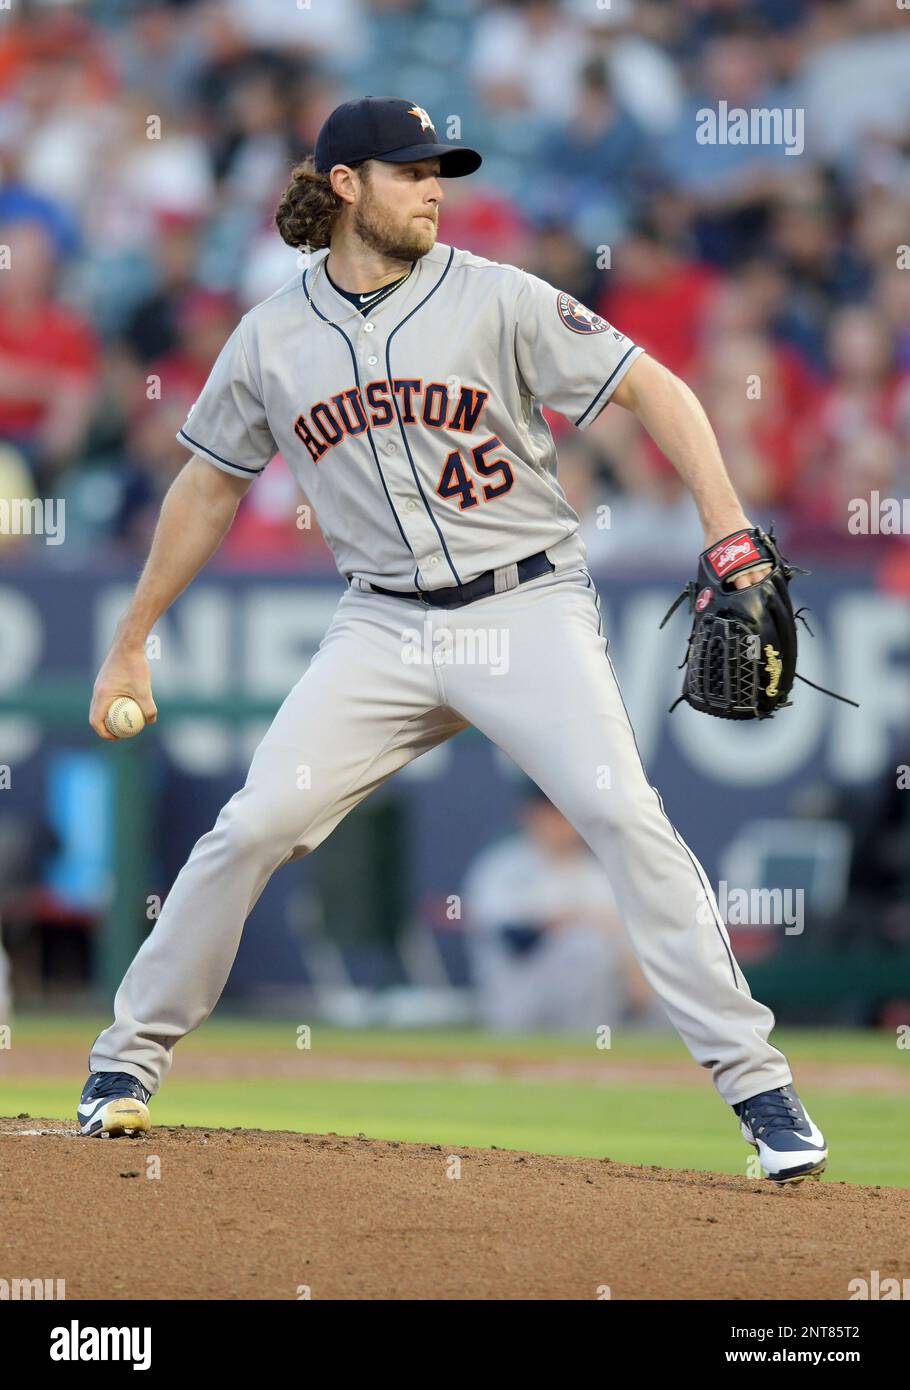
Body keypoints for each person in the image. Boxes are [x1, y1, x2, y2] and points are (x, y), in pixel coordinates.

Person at [77, 96, 826, 1183]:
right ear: (345, 185)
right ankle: (123, 1062)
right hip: (380, 622)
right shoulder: (272, 336)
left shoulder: (497, 296)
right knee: (253, 825)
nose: (434, 188)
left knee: (623, 815)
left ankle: (760, 1091)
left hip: (525, 605)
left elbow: (653, 389)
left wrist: (729, 529)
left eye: (440, 171)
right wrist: (132, 636)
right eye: (411, 170)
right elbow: (207, 485)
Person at [463, 784, 660, 1032]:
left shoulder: (596, 874)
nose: (558, 822)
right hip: (518, 987)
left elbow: (623, 942)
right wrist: (574, 920)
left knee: (643, 969)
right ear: (529, 814)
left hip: (587, 1002)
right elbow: (513, 938)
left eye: (564, 813)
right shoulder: (502, 867)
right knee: (584, 945)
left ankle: (590, 1044)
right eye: (549, 812)